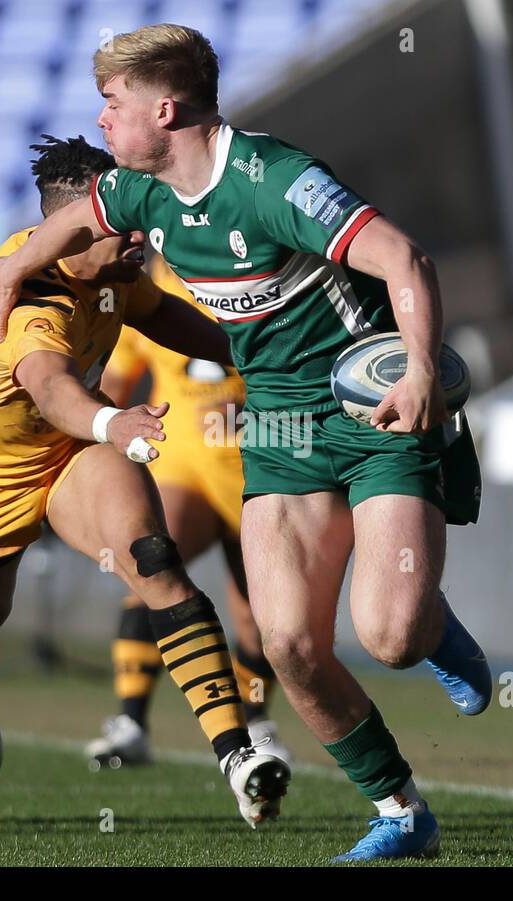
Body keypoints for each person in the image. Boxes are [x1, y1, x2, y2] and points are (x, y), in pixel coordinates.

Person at [0, 24, 492, 861]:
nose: (101, 122)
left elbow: (405, 258)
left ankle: (434, 629)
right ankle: (401, 812)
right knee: (290, 647)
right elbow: (73, 221)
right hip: (274, 420)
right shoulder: (137, 188)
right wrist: (11, 269)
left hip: (369, 407)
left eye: (112, 105)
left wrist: (420, 371)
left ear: (164, 110)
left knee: (390, 637)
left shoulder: (276, 180)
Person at [0, 134, 290, 826]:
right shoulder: (27, 301)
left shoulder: (113, 268)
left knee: (154, 560)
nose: (138, 231)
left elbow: (163, 314)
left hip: (68, 454)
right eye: (118, 221)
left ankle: (237, 757)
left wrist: (255, 353)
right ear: (75, 229)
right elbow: (54, 388)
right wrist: (112, 425)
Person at [85, 254, 290, 768]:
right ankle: (130, 721)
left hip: (260, 461)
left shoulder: (254, 266)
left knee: (260, 617)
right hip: (185, 461)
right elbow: (111, 382)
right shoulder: (145, 288)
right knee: (152, 566)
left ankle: (257, 722)